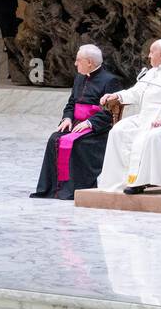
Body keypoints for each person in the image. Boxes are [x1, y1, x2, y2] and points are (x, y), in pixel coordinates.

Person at [97, 39, 161, 194]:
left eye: (152, 52)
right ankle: (119, 181)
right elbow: (135, 92)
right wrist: (115, 95)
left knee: (152, 136)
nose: (148, 56)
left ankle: (140, 182)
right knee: (118, 130)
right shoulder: (151, 72)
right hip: (145, 117)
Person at [30, 45, 120, 199]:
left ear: (89, 62)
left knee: (77, 144)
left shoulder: (110, 80)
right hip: (76, 123)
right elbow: (71, 103)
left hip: (97, 130)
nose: (75, 64)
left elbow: (110, 111)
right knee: (54, 139)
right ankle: (52, 189)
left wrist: (90, 123)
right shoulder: (79, 77)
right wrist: (67, 118)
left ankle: (72, 190)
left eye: (78, 60)